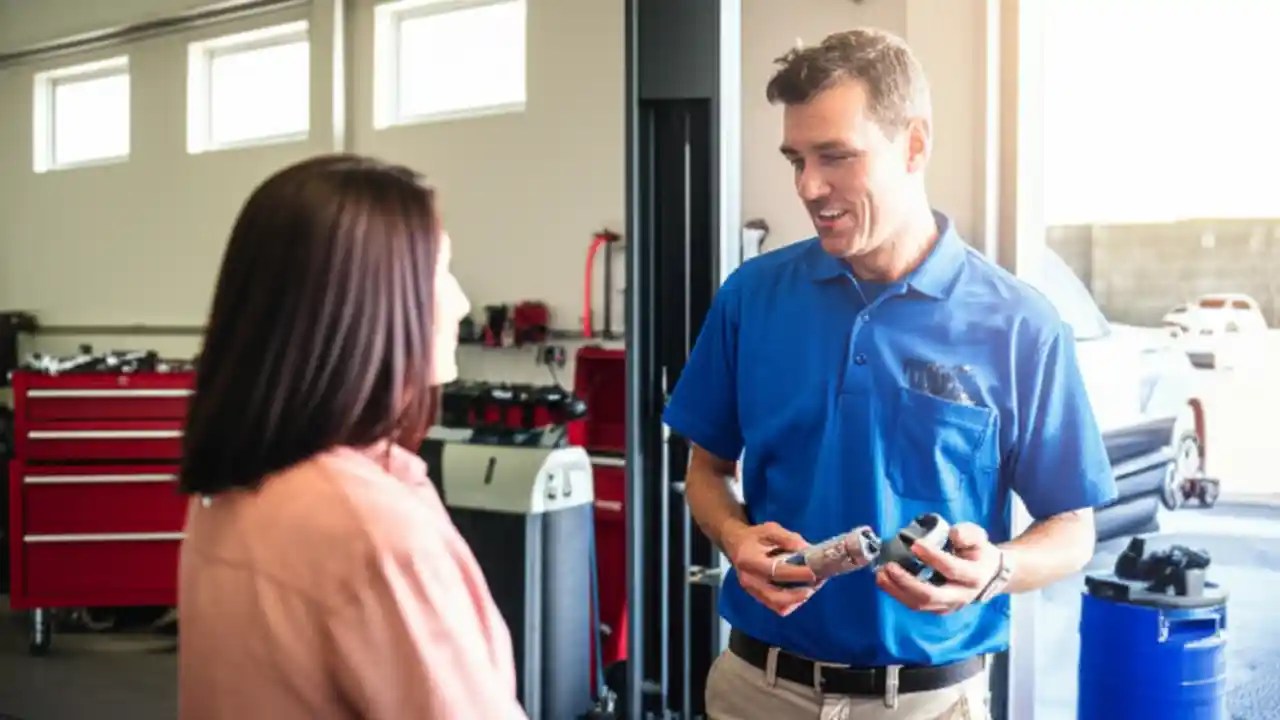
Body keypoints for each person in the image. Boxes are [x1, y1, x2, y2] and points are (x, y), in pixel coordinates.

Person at [663, 28, 1116, 720]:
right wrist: (733, 535)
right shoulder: (750, 298)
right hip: (756, 687)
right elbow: (707, 469)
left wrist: (996, 569)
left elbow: (1071, 528)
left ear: (914, 145)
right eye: (797, 160)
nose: (809, 187)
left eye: (836, 156)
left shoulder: (1020, 324)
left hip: (927, 702)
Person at [176, 155, 525, 720]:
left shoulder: (231, 488)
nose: (461, 303)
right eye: (441, 270)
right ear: (365, 301)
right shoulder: (372, 534)